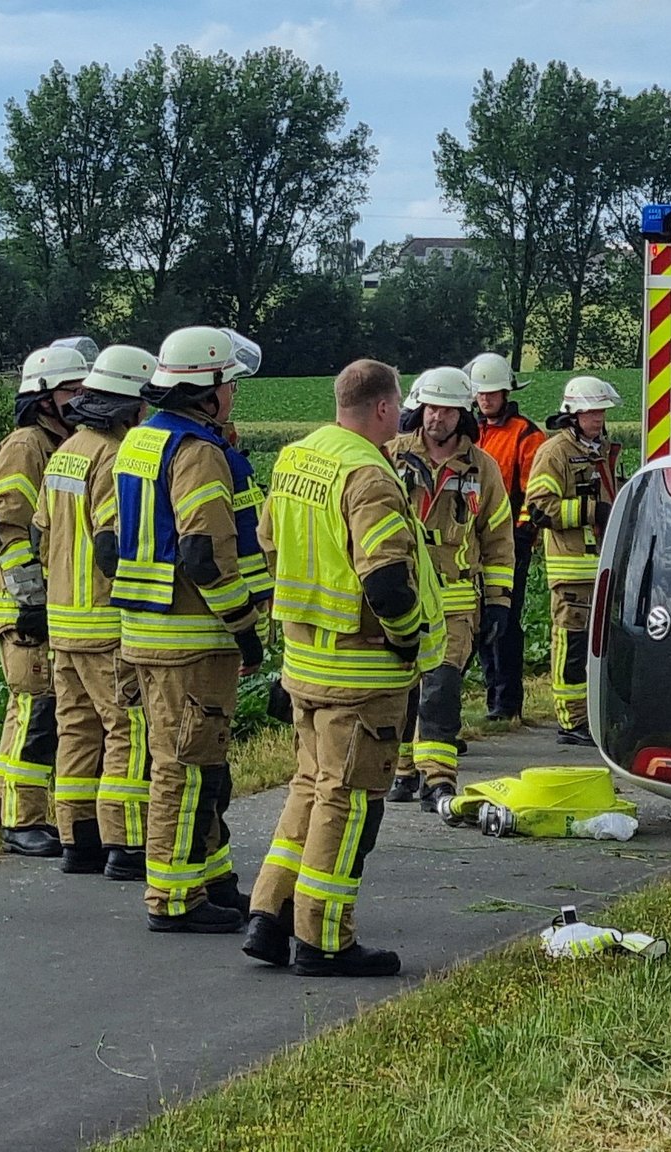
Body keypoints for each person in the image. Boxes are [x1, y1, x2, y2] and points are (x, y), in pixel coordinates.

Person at [244, 359, 443, 977]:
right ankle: (324, 939)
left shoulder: (296, 457)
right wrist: (409, 640)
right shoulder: (369, 474)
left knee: (310, 788)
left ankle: (269, 916)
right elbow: (385, 579)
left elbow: (270, 544)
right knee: (350, 801)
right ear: (383, 409)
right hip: (362, 674)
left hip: (304, 663)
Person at [109, 326, 270, 934]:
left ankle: (208, 878)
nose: (232, 393)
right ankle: (175, 898)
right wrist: (245, 625)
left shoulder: (142, 441)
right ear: (206, 387)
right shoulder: (198, 450)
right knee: (185, 766)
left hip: (145, 632)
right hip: (193, 637)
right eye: (228, 381)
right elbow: (205, 553)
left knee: (193, 764)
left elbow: (108, 539)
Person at [34, 345, 153, 879]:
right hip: (106, 623)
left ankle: (77, 840)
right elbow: (112, 544)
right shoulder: (114, 453)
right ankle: (125, 843)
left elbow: (39, 531)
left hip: (64, 622)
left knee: (76, 729)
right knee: (126, 727)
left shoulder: (67, 450)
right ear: (131, 405)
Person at [385, 366, 515, 812]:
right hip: (400, 593)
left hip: (456, 601)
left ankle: (437, 778)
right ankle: (402, 771)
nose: (436, 418)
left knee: (440, 689)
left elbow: (498, 539)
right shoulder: (393, 456)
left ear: (463, 415)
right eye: (430, 408)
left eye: (446, 409)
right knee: (401, 688)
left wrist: (498, 602)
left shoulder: (482, 468)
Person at [0, 339, 92, 858]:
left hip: (50, 603)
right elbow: (5, 525)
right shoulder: (27, 444)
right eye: (75, 389)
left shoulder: (64, 443)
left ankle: (27, 814)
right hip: (25, 605)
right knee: (34, 710)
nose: (85, 397)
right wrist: (31, 599)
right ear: (46, 397)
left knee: (42, 709)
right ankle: (18, 819)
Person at [526, 377, 622, 746]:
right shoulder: (555, 453)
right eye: (591, 412)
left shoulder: (604, 450)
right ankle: (572, 721)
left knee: (601, 647)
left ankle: (594, 716)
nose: (597, 418)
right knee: (572, 646)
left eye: (601, 411)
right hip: (571, 570)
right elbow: (539, 507)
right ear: (573, 414)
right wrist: (590, 509)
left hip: (602, 565)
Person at [464, 351, 542, 723]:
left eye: (492, 393)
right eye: (480, 393)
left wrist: (522, 534)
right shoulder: (471, 432)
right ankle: (492, 695)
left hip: (510, 540)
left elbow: (533, 492)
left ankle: (507, 702)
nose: (485, 399)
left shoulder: (526, 434)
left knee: (505, 619)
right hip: (471, 539)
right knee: (478, 617)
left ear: (506, 392)